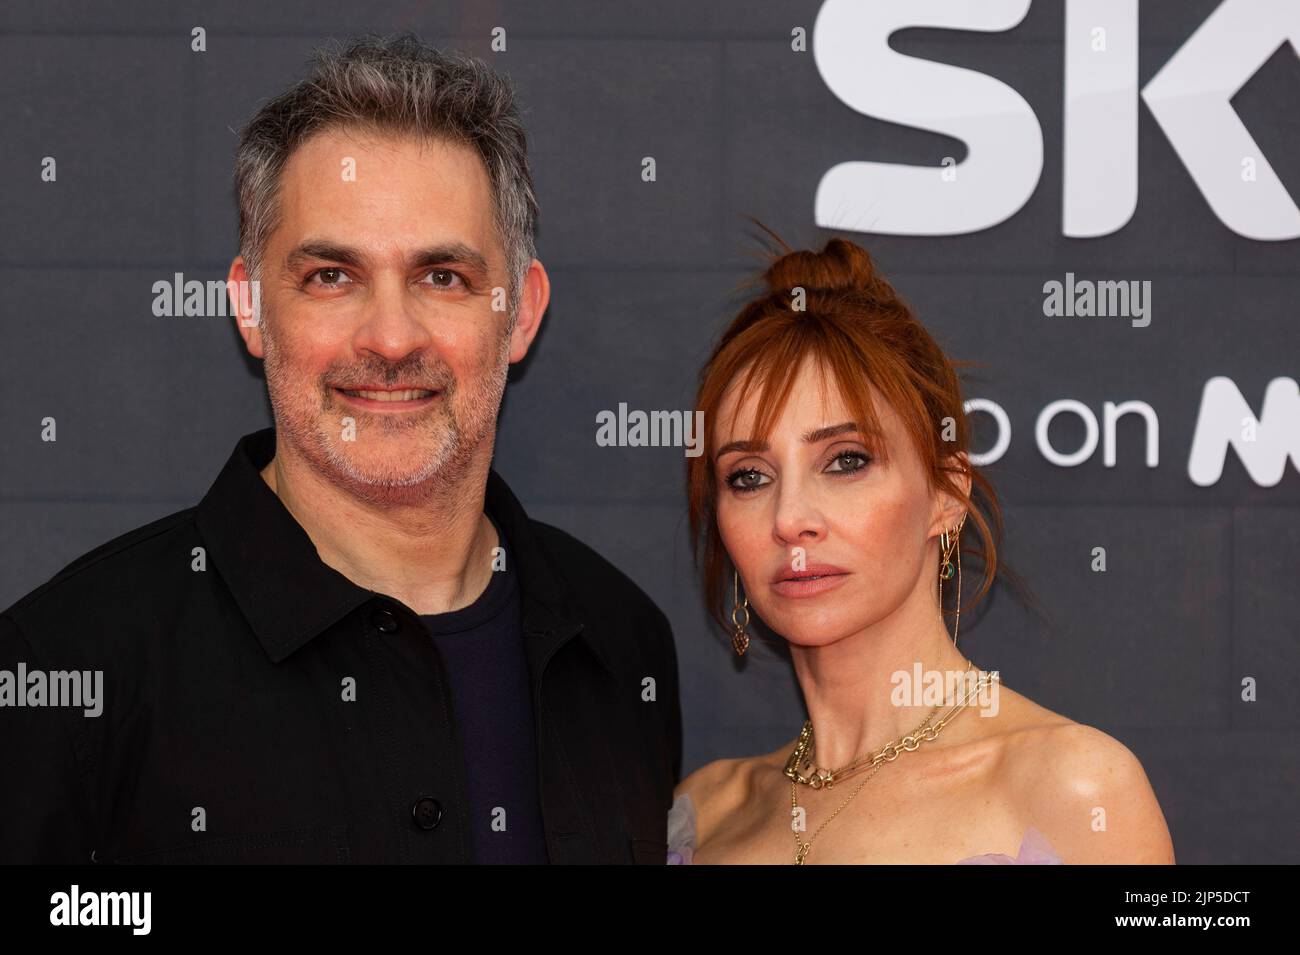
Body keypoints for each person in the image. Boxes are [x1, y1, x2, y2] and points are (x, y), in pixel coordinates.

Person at [0, 34, 680, 864]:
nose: (391, 338)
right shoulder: (70, 668)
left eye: (442, 277)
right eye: (332, 275)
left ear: (522, 314)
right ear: (250, 307)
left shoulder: (621, 644)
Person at [669, 232, 1174, 865]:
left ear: (946, 493)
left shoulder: (1073, 790)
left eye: (845, 461)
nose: (790, 519)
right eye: (748, 476)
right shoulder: (704, 815)